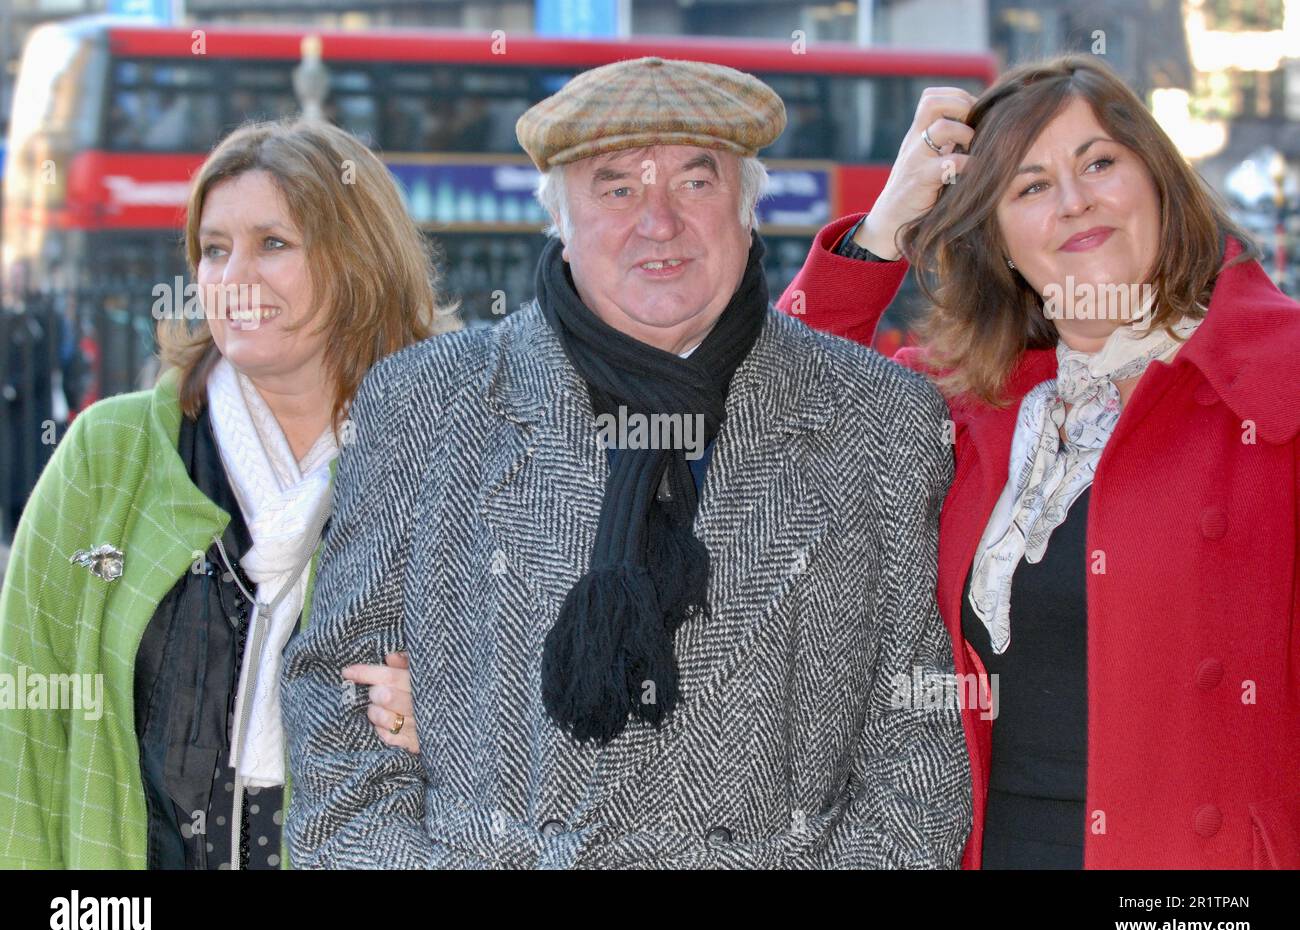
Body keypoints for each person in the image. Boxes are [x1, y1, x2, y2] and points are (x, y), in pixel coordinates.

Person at [283, 56, 971, 869]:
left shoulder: (880, 419)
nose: (659, 222)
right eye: (616, 187)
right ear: (559, 221)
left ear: (748, 209)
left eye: (695, 181)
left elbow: (918, 747)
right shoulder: (425, 405)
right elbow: (334, 708)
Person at [779, 54, 1300, 869]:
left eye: (1099, 163)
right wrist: (883, 230)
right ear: (1001, 243)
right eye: (1028, 187)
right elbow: (771, 430)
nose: (1073, 201)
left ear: (1160, 185)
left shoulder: (1276, 382)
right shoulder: (960, 411)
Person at [0, 118, 455, 869]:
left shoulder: (451, 464)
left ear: (359, 260)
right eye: (214, 250)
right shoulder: (109, 455)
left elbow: (542, 748)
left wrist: (443, 720)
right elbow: (24, 730)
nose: (233, 276)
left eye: (272, 244)